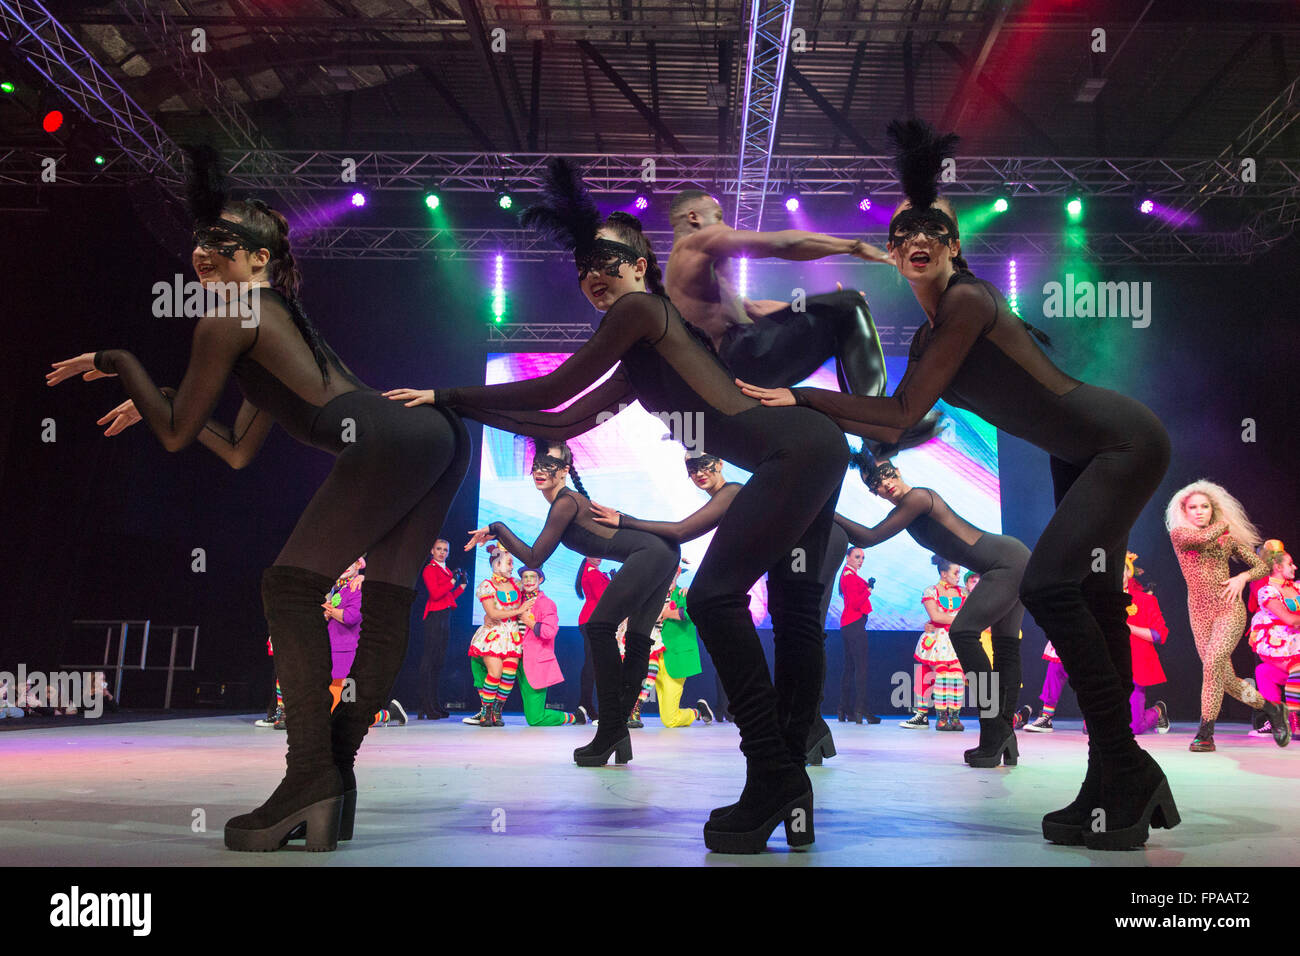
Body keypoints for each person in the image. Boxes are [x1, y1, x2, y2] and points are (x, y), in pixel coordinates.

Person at [385, 158, 849, 853]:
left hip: (796, 453)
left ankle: (773, 774)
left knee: (718, 599)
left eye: (607, 259)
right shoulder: (646, 347)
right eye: (582, 268)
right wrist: (462, 409)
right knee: (793, 614)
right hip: (812, 449)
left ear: (641, 265)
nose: (592, 275)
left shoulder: (640, 310)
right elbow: (561, 423)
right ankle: (789, 785)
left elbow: (553, 389)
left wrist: (449, 394)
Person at [736, 118, 1177, 849]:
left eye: (934, 233)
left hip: (1119, 443)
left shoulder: (968, 303)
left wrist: (808, 396)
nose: (920, 239)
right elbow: (896, 421)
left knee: (1049, 588)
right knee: (1093, 604)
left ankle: (1125, 772)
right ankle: (1114, 781)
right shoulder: (928, 334)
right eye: (906, 231)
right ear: (894, 251)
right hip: (1077, 454)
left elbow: (900, 412)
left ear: (953, 248)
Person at [48, 145, 470, 851]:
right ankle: (333, 773)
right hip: (435, 433)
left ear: (260, 260)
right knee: (389, 600)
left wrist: (122, 365)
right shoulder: (274, 320)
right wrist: (162, 396)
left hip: (386, 434)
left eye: (226, 244)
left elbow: (178, 437)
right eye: (202, 242)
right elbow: (236, 447)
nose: (206, 254)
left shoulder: (232, 314)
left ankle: (310, 775)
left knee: (288, 587)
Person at [461, 440, 679, 759]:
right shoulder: (567, 502)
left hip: (651, 552)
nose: (539, 471)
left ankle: (610, 732)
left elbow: (534, 559)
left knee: (600, 627)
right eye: (536, 465)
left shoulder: (565, 503)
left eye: (549, 466)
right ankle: (617, 734)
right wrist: (498, 531)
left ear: (564, 472)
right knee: (636, 639)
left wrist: (497, 527)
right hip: (666, 552)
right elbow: (534, 558)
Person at [835, 456, 1030, 764]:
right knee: (1006, 647)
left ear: (897, 471)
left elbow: (868, 537)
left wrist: (825, 511)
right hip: (1010, 559)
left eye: (886, 476)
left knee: (964, 632)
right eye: (875, 485)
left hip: (1004, 563)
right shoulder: (908, 507)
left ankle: (994, 730)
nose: (884, 484)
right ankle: (1002, 735)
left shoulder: (918, 498)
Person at [665, 190, 890, 399]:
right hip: (741, 355)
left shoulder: (679, 272)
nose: (725, 226)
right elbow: (781, 244)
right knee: (848, 304)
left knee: (843, 315)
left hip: (728, 369)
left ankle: (868, 420)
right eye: (718, 217)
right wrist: (855, 247)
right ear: (695, 218)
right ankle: (881, 417)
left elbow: (752, 308)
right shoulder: (697, 241)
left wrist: (828, 307)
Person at [1165, 481, 1290, 750]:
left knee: (1211, 665)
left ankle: (1206, 733)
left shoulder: (1227, 539)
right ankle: (1273, 708)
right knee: (1228, 681)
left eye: (1205, 507)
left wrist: (1242, 578)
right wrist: (1223, 522)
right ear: (1184, 512)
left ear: (1212, 509)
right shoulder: (1180, 535)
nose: (1199, 512)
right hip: (1199, 614)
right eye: (1193, 507)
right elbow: (1202, 538)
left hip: (1228, 609)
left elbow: (1262, 566)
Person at [476, 566, 586, 727]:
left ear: (540, 580)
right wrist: (487, 616)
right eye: (525, 577)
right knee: (477, 662)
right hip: (510, 654)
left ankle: (575, 717)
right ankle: (486, 710)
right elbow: (496, 610)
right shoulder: (515, 599)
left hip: (533, 662)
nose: (528, 581)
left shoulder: (547, 604)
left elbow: (550, 632)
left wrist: (530, 622)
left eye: (532, 577)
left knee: (535, 719)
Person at [464, 545, 531, 727]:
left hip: (513, 636)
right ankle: (485, 711)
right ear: (496, 564)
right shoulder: (487, 585)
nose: (511, 567)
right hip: (494, 635)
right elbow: (492, 614)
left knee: (509, 676)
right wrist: (519, 610)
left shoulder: (517, 584)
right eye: (509, 563)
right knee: (495, 673)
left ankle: (497, 711)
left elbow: (534, 590)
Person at [1246, 548, 1300, 736]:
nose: (1295, 566)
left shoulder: (1297, 587)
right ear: (1277, 567)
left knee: (1264, 672)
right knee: (1296, 669)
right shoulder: (1268, 591)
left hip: (1296, 641)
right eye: (1290, 563)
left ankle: (1279, 720)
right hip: (1282, 645)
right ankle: (1291, 722)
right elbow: (1290, 619)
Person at [1121, 553, 1170, 737]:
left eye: (1122, 570)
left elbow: (1159, 634)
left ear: (1128, 573)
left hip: (1136, 669)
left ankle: (1157, 711)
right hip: (1109, 670)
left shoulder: (1145, 600)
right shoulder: (1101, 601)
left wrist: (1128, 627)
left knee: (1134, 727)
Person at [419, 539, 468, 719]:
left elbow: (448, 597)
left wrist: (462, 585)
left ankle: (433, 703)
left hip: (444, 615)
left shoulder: (445, 570)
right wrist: (453, 581)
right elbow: (436, 594)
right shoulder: (430, 569)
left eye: (445, 550)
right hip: (434, 616)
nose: (442, 552)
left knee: (438, 661)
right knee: (430, 660)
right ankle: (425, 704)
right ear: (432, 551)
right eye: (438, 549)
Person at [837, 547, 874, 723]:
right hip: (854, 624)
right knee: (861, 668)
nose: (861, 560)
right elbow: (856, 603)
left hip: (849, 625)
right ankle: (861, 710)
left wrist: (866, 587)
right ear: (848, 558)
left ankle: (844, 710)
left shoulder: (847, 576)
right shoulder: (850, 577)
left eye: (863, 558)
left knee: (850, 668)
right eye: (857, 557)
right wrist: (868, 590)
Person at [575, 557, 611, 720]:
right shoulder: (592, 573)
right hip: (593, 621)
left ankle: (585, 705)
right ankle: (586, 705)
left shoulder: (592, 571)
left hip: (592, 620)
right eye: (594, 553)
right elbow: (603, 599)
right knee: (592, 664)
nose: (599, 556)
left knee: (593, 663)